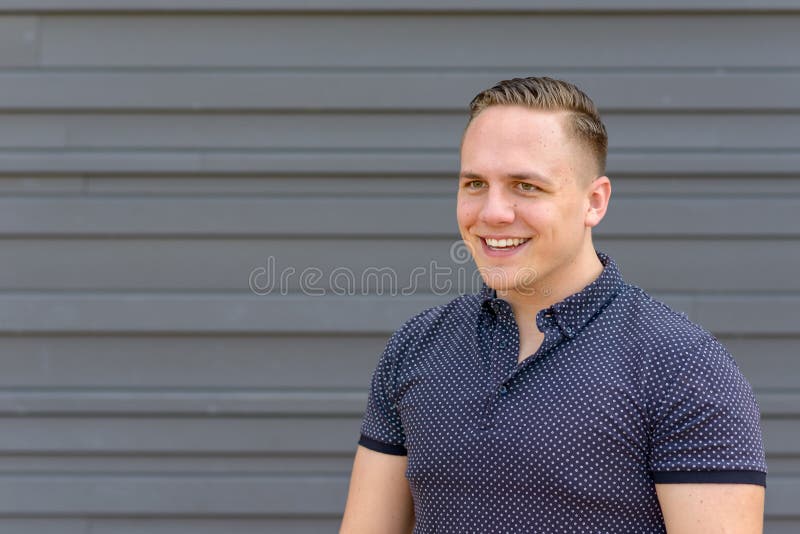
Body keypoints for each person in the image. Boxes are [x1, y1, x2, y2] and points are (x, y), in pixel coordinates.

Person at [340, 77, 766, 533]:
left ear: (594, 201)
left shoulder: (682, 366)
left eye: (526, 186)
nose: (492, 213)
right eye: (475, 183)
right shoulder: (417, 346)